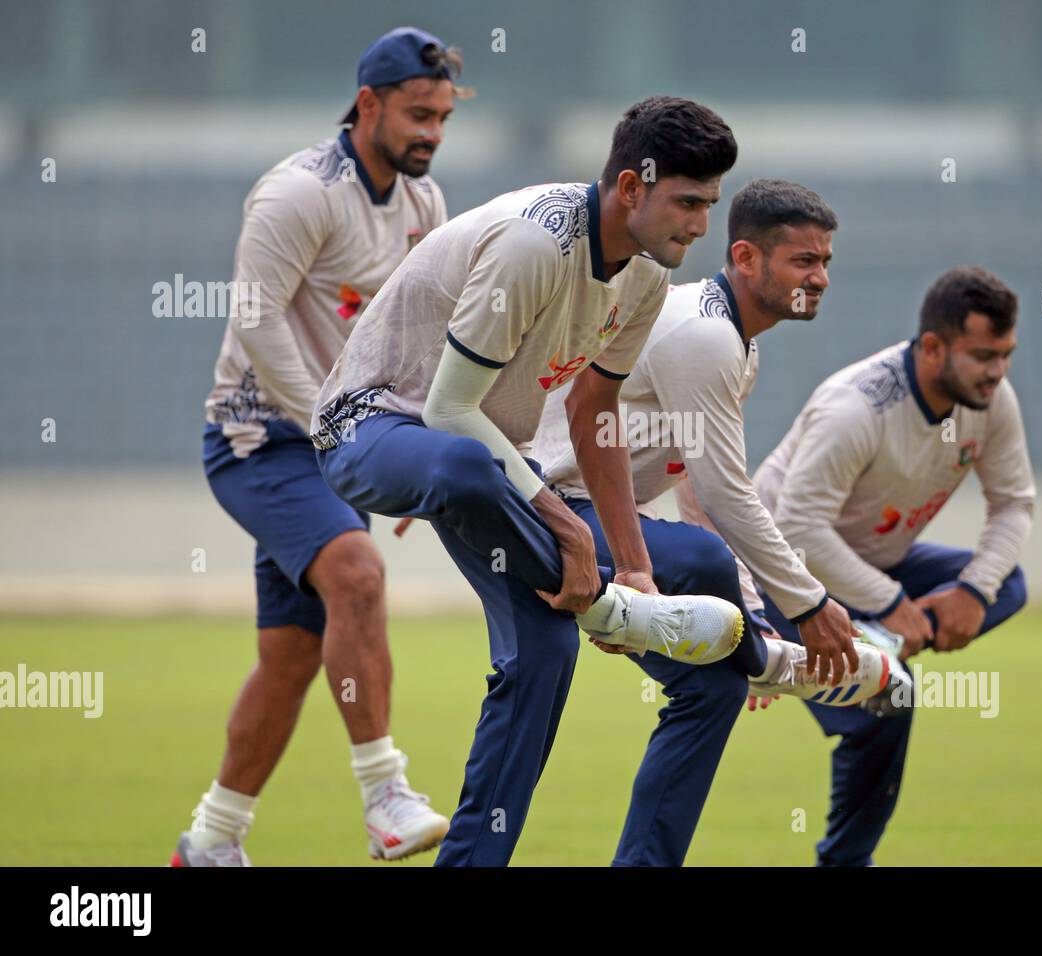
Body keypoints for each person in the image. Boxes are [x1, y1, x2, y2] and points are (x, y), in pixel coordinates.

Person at [311, 96, 745, 866]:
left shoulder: (643, 275)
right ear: (632, 187)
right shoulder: (536, 245)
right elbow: (446, 410)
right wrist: (567, 525)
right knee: (466, 464)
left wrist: (636, 564)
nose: (700, 225)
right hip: (377, 428)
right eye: (687, 202)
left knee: (681, 589)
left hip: (487, 467)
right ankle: (607, 610)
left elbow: (595, 411)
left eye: (710, 205)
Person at [533, 179, 906, 865]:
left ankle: (753, 665)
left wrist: (755, 614)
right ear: (746, 257)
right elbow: (728, 494)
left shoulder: (737, 345)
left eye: (826, 262)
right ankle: (769, 661)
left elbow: (700, 495)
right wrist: (810, 604)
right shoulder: (706, 337)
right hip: (546, 514)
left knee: (713, 687)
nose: (820, 278)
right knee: (704, 569)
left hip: (590, 517)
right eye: (803, 261)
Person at [175, 27, 468, 867]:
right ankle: (385, 796)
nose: (431, 134)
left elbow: (419, 339)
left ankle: (211, 842)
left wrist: (417, 450)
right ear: (367, 104)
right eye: (418, 114)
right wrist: (340, 431)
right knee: (358, 575)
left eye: (442, 118)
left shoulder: (425, 207)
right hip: (257, 436)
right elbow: (257, 322)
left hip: (338, 440)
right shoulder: (297, 193)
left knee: (295, 657)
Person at [753, 265, 1034, 866]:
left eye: (1006, 354)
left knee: (1004, 582)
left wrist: (972, 595)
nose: (998, 372)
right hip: (779, 576)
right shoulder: (857, 408)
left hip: (868, 568)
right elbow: (796, 532)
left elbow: (1014, 504)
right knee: (887, 705)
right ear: (933, 346)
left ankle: (876, 650)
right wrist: (893, 606)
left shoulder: (990, 400)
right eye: (984, 355)